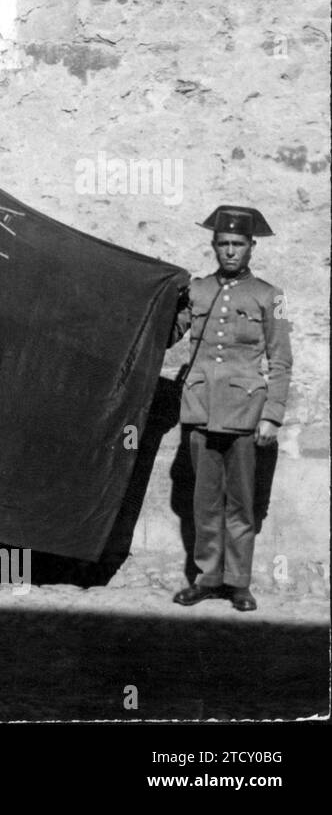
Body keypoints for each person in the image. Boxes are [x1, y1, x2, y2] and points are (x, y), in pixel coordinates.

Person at [169, 206, 291, 613]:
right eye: (223, 244)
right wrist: (162, 295)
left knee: (240, 503)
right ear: (214, 246)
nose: (230, 251)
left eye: (238, 244)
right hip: (201, 409)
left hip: (245, 414)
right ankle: (206, 579)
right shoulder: (198, 290)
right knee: (204, 502)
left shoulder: (271, 297)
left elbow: (281, 361)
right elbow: (169, 335)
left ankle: (238, 583)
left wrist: (272, 414)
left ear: (251, 247)